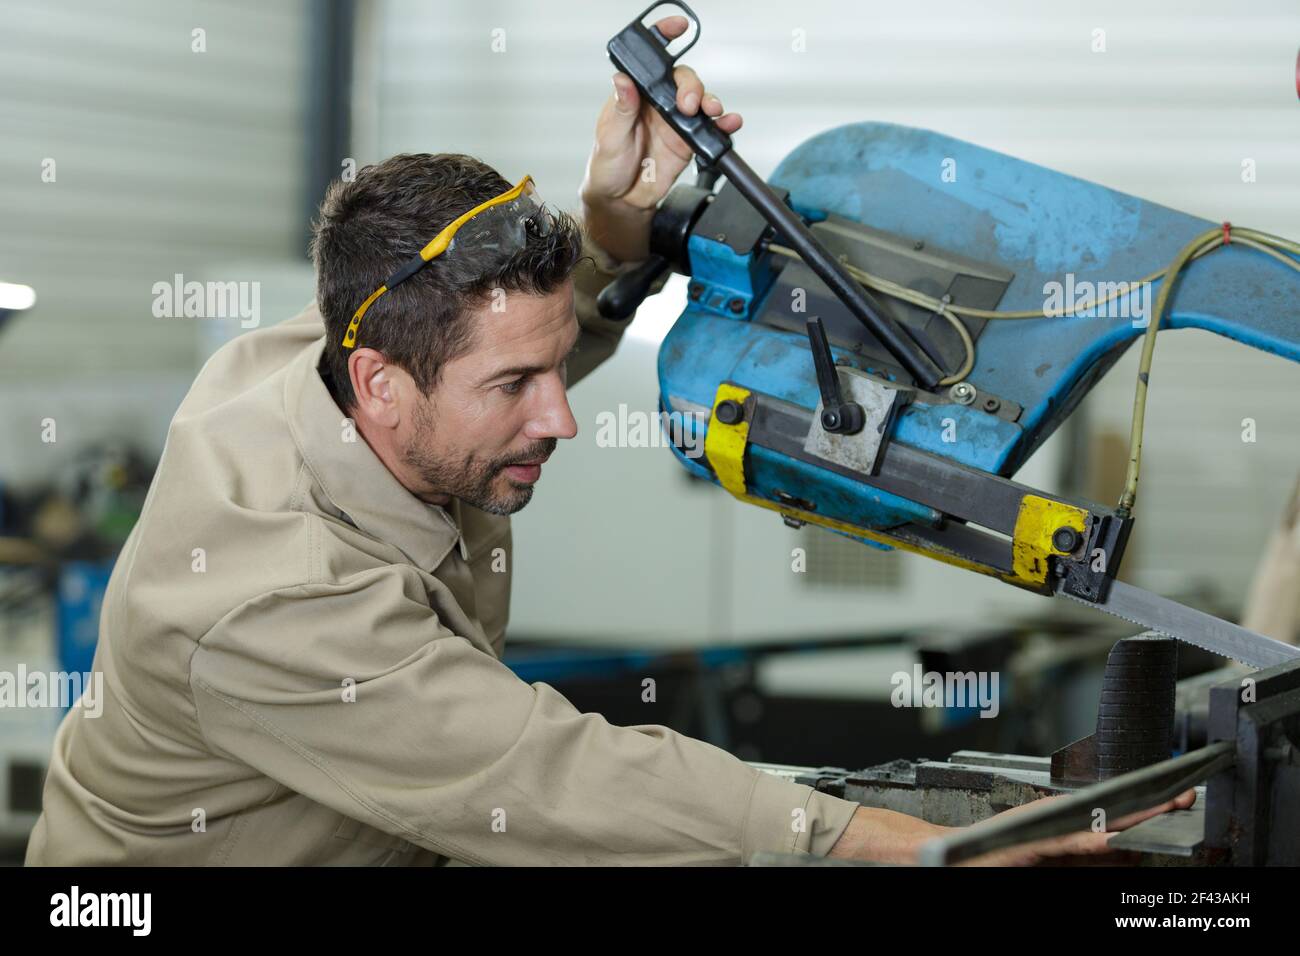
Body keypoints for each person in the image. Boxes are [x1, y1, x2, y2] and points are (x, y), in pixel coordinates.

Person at [26, 16, 1191, 866]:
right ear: (380, 386)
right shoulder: (266, 596)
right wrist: (874, 840)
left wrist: (616, 219)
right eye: (515, 386)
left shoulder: (347, 343)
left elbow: (530, 311)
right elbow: (541, 769)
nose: (564, 414)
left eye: (554, 364)